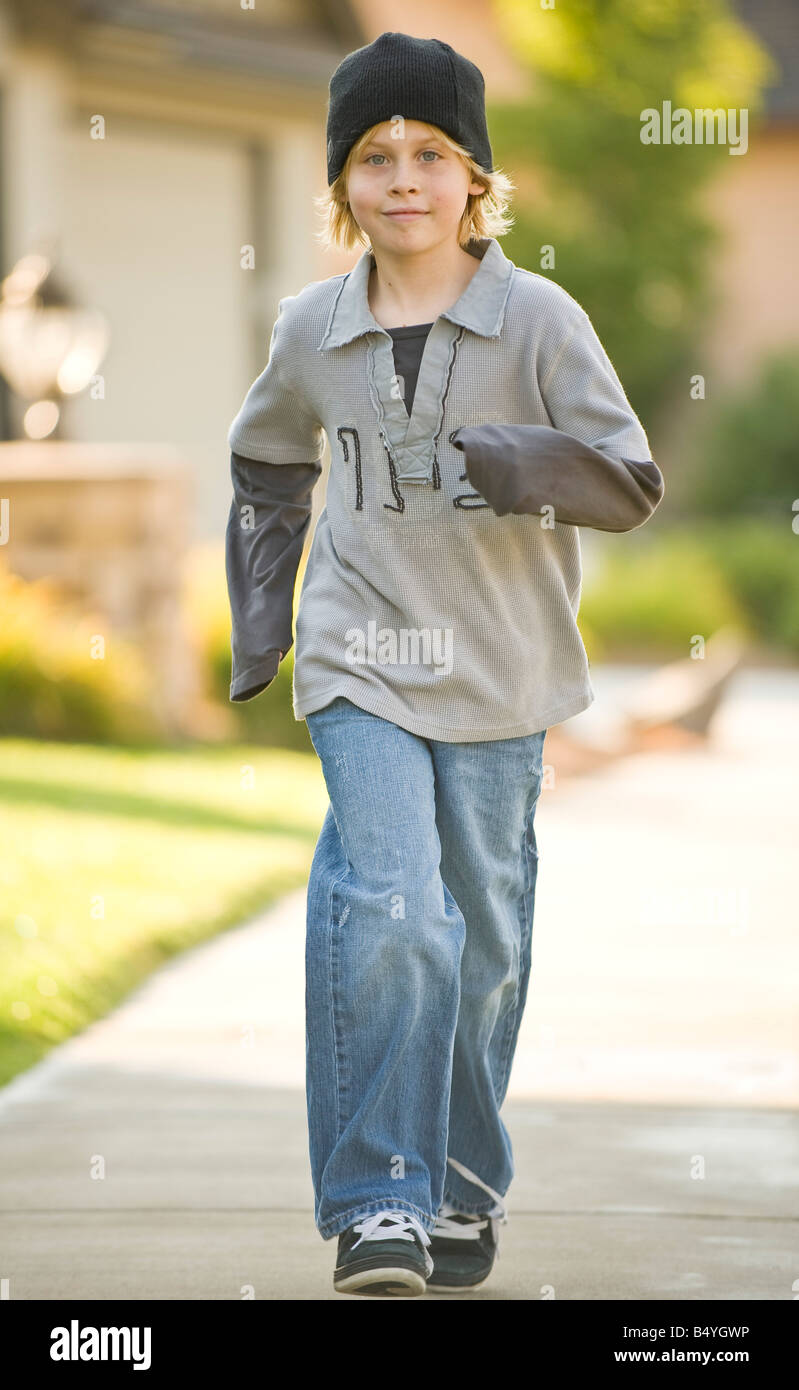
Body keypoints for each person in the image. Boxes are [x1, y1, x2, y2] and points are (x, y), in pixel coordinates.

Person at [225, 31, 664, 1298]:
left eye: (429, 154)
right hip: (361, 656)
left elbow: (629, 478)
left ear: (477, 179)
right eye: (373, 157)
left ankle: (462, 1184)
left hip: (500, 670)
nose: (402, 178)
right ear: (341, 185)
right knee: (393, 907)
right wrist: (269, 624)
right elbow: (267, 463)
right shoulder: (312, 325)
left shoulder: (539, 315)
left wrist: (522, 458)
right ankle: (379, 1206)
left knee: (482, 944)